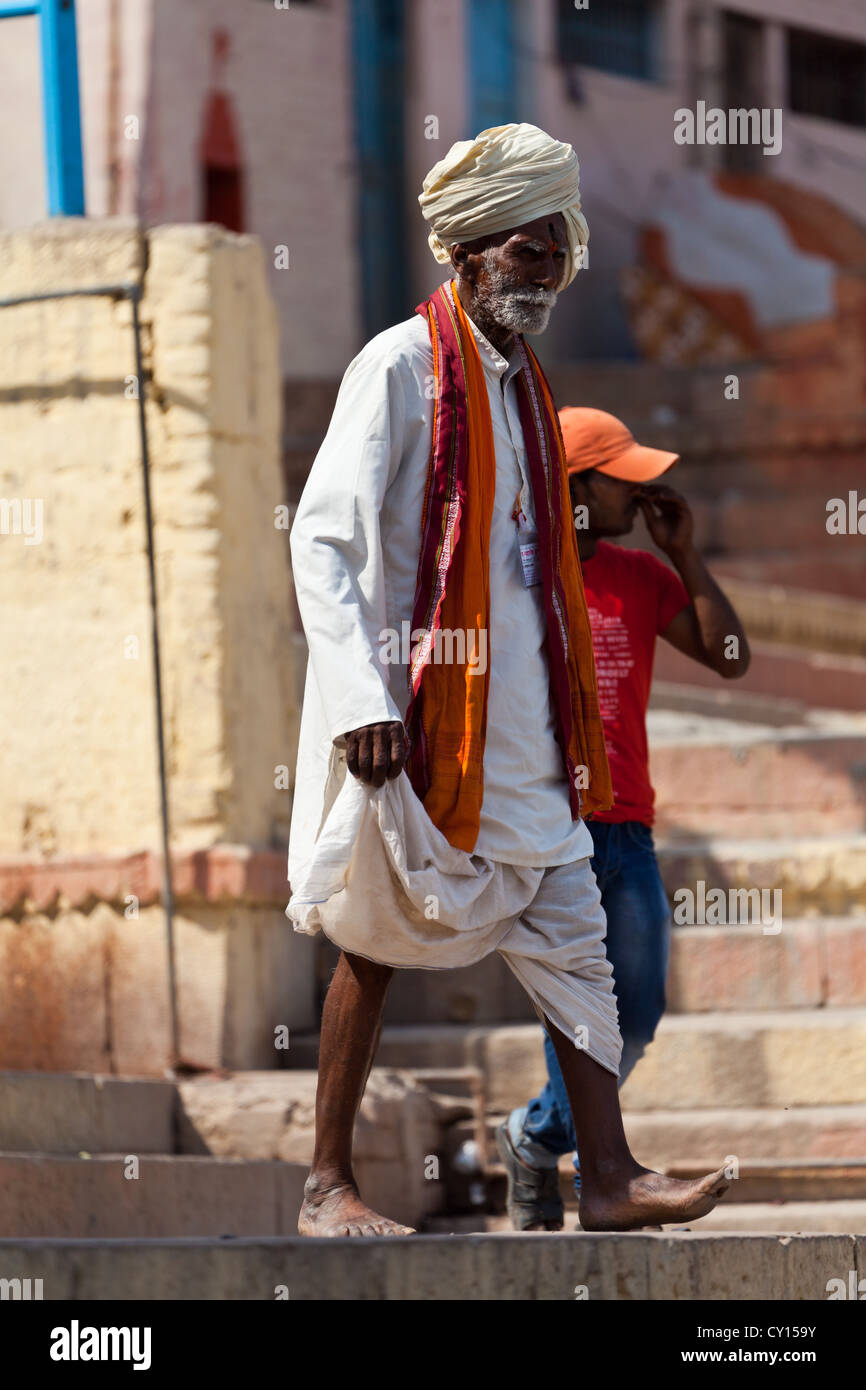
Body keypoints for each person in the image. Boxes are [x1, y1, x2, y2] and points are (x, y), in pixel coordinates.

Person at [286, 124, 730, 1237]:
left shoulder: (527, 390)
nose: (547, 275)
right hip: (413, 715)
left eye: (556, 255)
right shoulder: (395, 367)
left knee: (578, 939)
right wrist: (363, 705)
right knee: (372, 942)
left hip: (530, 730)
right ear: (471, 249)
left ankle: (610, 1176)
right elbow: (324, 544)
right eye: (530, 253)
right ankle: (326, 1185)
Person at [499, 406, 751, 1230]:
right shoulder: (517, 575)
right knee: (576, 1009)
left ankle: (536, 1137)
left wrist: (682, 550)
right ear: (574, 487)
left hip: (629, 830)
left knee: (635, 1016)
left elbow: (731, 658)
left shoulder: (642, 578)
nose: (643, 492)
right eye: (625, 479)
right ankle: (598, 1178)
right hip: (550, 826)